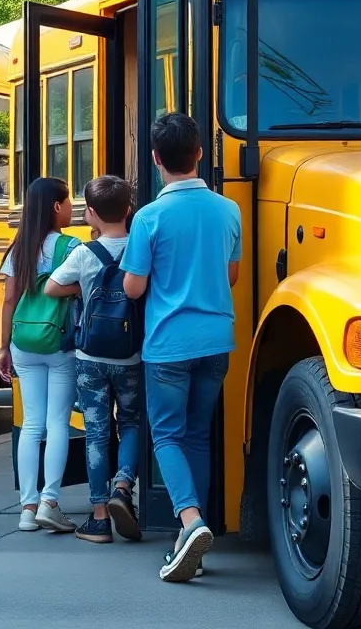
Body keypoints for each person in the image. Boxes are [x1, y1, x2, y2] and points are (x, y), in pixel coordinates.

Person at [122, 113, 241, 582]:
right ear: (199, 154)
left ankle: (190, 521)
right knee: (195, 436)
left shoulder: (149, 217)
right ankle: (190, 541)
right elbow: (231, 276)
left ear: (155, 160)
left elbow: (134, 288)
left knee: (167, 436)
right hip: (217, 341)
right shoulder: (228, 209)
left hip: (168, 345)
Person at [44, 175, 142, 544]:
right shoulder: (138, 247)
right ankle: (123, 486)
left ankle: (99, 517)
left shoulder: (84, 254)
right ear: (128, 210)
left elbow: (53, 287)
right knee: (130, 422)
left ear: (90, 215)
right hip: (130, 355)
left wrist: (83, 287)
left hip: (90, 356)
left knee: (97, 433)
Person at [0, 177, 80, 534]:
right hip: (59, 341)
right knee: (57, 422)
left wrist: (3, 346)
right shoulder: (71, 246)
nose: (72, 208)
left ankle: (27, 509)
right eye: (67, 201)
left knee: (31, 424)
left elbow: (8, 299)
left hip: (23, 341)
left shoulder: (18, 248)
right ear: (56, 207)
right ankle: (50, 500)